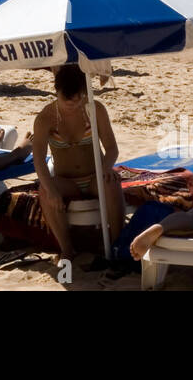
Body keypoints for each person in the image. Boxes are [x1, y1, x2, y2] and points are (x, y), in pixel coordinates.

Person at [32, 64, 124, 261]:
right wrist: (51, 189)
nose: (73, 104)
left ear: (84, 92)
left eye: (78, 99)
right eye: (67, 100)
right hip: (67, 181)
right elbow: (39, 160)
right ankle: (67, 248)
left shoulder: (94, 109)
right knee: (45, 190)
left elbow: (112, 148)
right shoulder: (46, 118)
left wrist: (107, 167)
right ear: (57, 92)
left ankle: (117, 243)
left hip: (94, 177)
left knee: (112, 181)